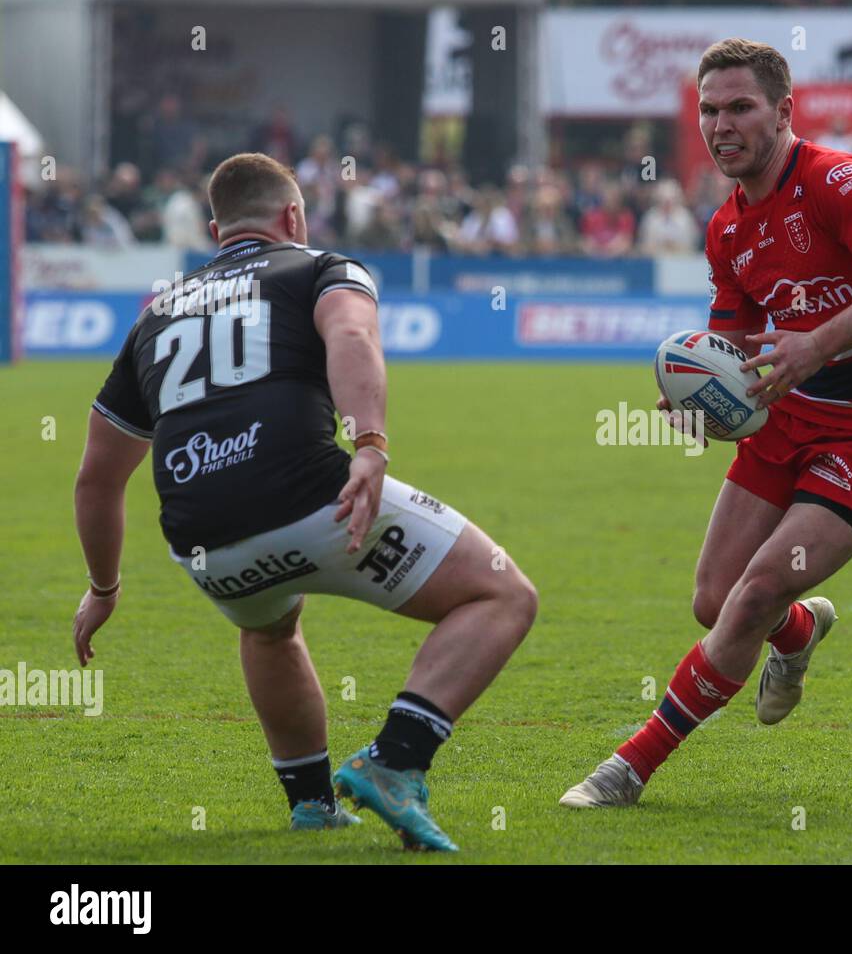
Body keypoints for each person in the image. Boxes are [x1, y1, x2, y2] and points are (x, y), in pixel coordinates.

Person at [72, 152, 537, 851]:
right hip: (313, 502)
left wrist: (103, 589)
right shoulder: (320, 267)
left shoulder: (156, 314)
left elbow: (97, 478)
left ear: (214, 229)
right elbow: (351, 335)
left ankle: (313, 805)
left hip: (205, 546)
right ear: (293, 216)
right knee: (504, 595)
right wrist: (371, 444)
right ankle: (396, 762)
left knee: (268, 629)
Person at [561, 39, 852, 808]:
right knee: (715, 598)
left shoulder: (839, 179)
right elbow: (733, 346)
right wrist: (699, 398)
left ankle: (629, 767)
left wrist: (818, 343)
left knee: (754, 589)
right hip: (790, 417)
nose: (721, 125)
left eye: (739, 107)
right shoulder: (727, 228)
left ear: (782, 110)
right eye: (709, 110)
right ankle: (798, 634)